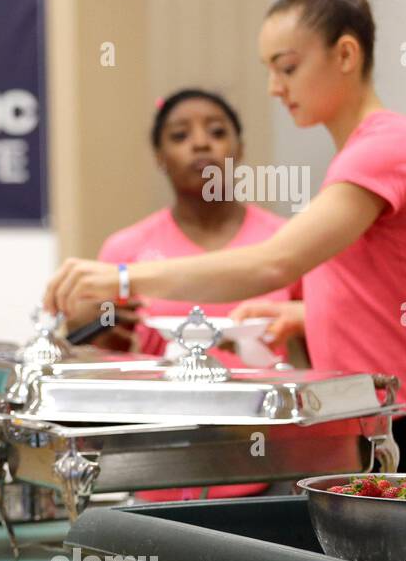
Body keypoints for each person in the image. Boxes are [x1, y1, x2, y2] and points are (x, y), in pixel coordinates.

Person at [45, 0, 406, 472]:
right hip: (373, 416)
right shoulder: (362, 154)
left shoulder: (387, 147)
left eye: (287, 67)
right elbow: (382, 285)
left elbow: (275, 261)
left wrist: (123, 280)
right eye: (269, 69)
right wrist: (304, 314)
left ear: (346, 55)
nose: (273, 87)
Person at [97, 89, 303, 501]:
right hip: (156, 472)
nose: (201, 142)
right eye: (179, 135)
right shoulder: (125, 252)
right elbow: (105, 366)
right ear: (159, 156)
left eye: (216, 131)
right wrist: (98, 333)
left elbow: (322, 353)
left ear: (239, 148)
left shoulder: (289, 245)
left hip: (274, 469)